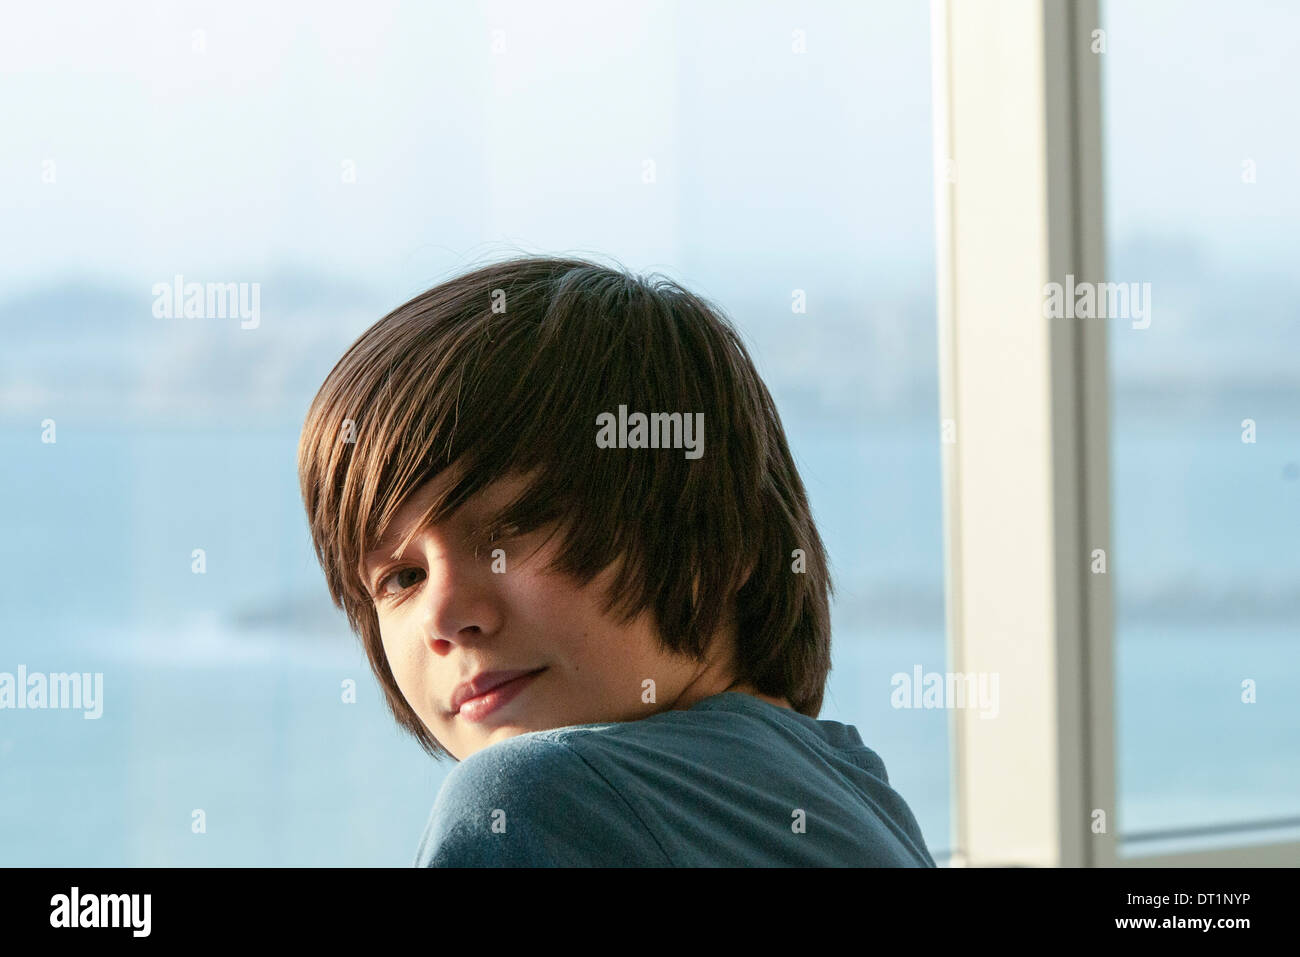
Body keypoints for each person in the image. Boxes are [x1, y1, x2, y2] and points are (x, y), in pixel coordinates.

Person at [296, 255, 936, 867]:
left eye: (509, 531)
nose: (444, 614)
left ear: (710, 536)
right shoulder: (857, 793)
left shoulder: (533, 799)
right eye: (402, 578)